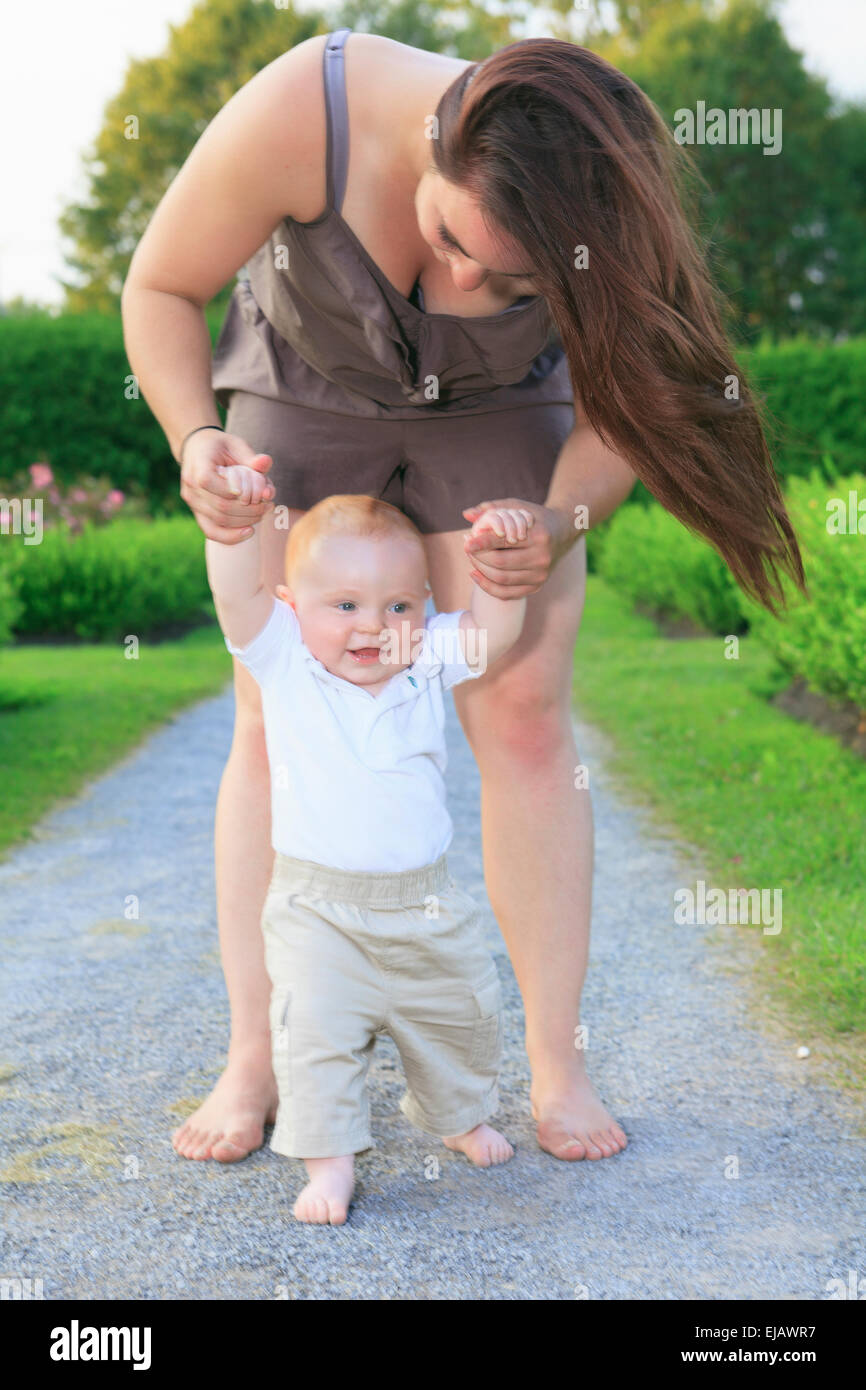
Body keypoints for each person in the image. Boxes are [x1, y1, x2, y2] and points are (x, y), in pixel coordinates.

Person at [121, 28, 805, 1167]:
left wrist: (556, 521)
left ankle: (555, 1061)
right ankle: (259, 1051)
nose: (462, 284)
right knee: (270, 713)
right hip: (306, 388)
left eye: (513, 280)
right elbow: (161, 284)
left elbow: (632, 406)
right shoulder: (311, 107)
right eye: (448, 238)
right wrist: (195, 435)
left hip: (499, 413)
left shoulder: (607, 212)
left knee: (524, 704)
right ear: (437, 140)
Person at [206, 477, 533, 1222]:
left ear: (424, 608)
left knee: (457, 1018)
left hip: (424, 901)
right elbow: (236, 598)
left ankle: (456, 1117)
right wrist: (231, 533)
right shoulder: (285, 659)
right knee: (314, 1036)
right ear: (292, 604)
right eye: (344, 605)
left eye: (397, 605)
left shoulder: (426, 659)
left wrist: (502, 564)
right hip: (315, 909)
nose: (371, 627)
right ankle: (329, 1164)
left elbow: (495, 632)